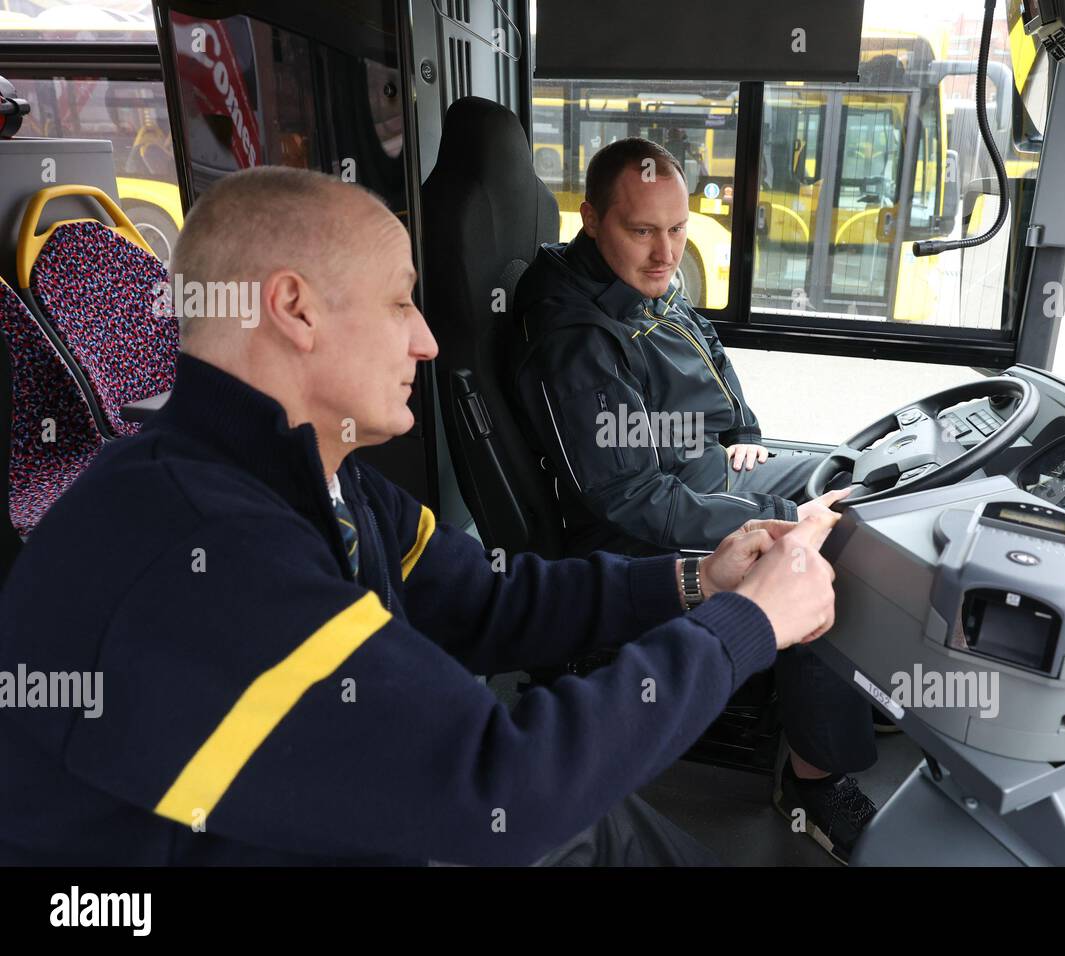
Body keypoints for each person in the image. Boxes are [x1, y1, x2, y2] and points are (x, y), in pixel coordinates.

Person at [0, 166, 841, 866]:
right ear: (295, 309)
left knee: (595, 829)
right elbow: (498, 787)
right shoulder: (196, 548)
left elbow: (485, 601)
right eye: (403, 303)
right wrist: (749, 624)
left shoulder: (318, 477)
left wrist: (701, 579)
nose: (429, 342)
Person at [513, 138, 881, 862]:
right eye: (642, 230)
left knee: (856, 483)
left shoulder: (640, 281)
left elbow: (704, 340)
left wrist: (743, 431)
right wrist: (768, 526)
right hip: (637, 522)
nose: (665, 253)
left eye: (678, 229)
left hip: (705, 472)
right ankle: (811, 781)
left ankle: (849, 687)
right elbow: (628, 493)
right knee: (819, 549)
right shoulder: (575, 334)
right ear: (591, 218)